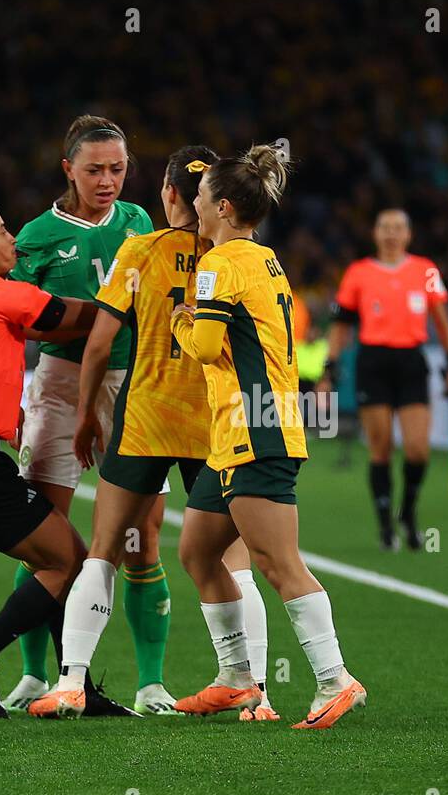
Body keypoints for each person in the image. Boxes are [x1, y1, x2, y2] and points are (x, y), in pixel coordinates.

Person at [30, 147, 276, 720]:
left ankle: (70, 681)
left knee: (104, 549)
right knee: (233, 556)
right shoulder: (241, 258)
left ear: (170, 195)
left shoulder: (139, 250)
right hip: (215, 424)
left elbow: (97, 345)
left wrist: (88, 413)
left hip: (145, 418)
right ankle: (254, 686)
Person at [169, 145, 366, 730]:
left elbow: (203, 347)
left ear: (223, 207)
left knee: (279, 564)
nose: (194, 208)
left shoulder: (218, 265)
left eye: (202, 200)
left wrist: (180, 319)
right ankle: (236, 678)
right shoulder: (265, 259)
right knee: (199, 552)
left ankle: (335, 679)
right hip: (240, 433)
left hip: (257, 432)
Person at [0, 202, 134, 719]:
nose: (13, 238)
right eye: (2, 230)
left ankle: (72, 685)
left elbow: (28, 334)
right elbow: (63, 317)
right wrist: (128, 297)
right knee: (70, 561)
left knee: (57, 558)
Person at [4, 115, 172, 715]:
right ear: (67, 168)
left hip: (131, 387)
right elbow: (12, 324)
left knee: (141, 539)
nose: (108, 180)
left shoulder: (138, 222)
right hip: (60, 385)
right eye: (95, 169)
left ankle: (151, 685)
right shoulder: (37, 236)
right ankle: (31, 675)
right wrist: (11, 405)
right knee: (44, 538)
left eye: (118, 169)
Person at [323, 208, 448, 550]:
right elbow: (340, 326)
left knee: (417, 450)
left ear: (408, 235)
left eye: (398, 228)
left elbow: (442, 321)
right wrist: (330, 367)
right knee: (380, 449)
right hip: (374, 362)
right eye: (385, 227)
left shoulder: (425, 270)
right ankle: (385, 525)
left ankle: (408, 511)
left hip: (411, 361)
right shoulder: (358, 272)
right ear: (375, 233)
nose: (391, 233)